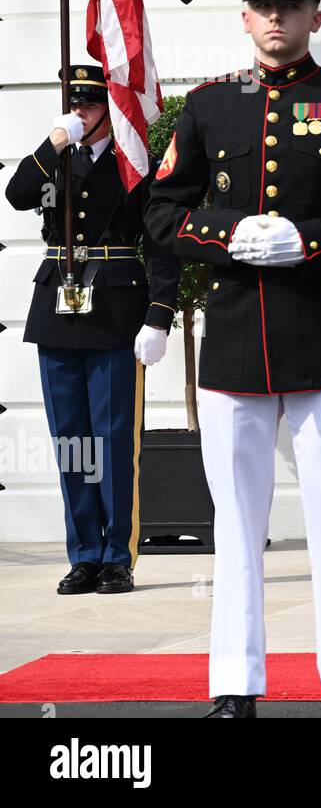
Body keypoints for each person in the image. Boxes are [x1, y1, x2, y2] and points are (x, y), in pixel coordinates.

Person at [145, 0, 321, 718]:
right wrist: (228, 233)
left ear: (314, 19)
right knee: (236, 523)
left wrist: (313, 240)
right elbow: (163, 213)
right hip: (233, 343)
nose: (275, 19)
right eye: (262, 6)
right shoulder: (208, 106)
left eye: (290, 7)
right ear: (244, 17)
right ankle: (234, 682)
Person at [5, 64, 180, 595]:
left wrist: (159, 313)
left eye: (90, 103)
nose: (80, 111)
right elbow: (16, 194)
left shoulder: (135, 164)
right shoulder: (55, 157)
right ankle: (82, 554)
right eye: (74, 102)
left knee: (110, 440)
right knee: (72, 442)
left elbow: (163, 244)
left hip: (115, 312)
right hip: (57, 308)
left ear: (112, 108)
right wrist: (53, 143)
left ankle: (115, 556)